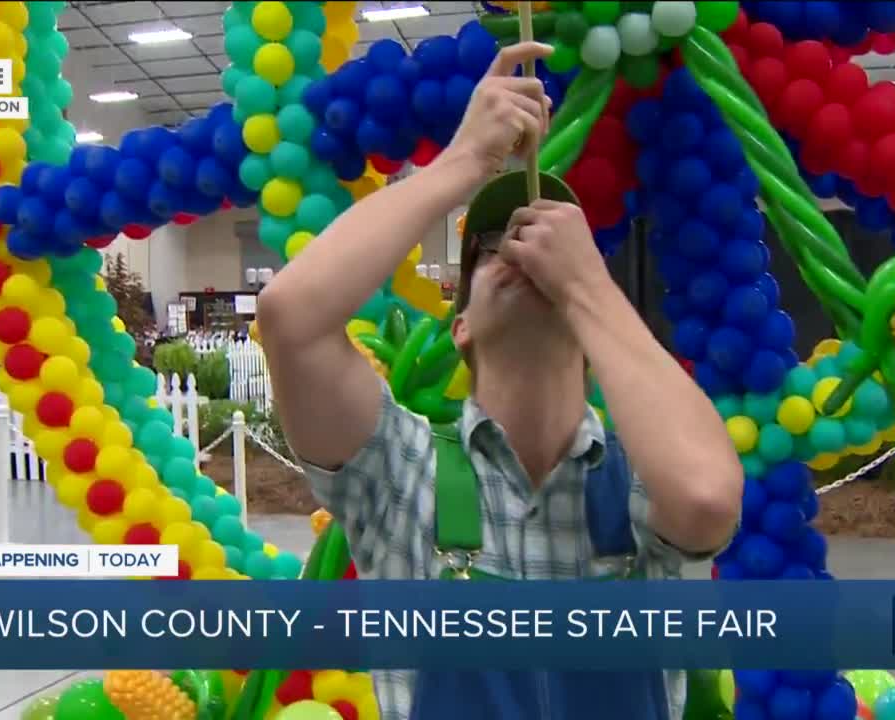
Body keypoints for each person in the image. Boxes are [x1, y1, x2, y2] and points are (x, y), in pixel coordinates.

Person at [256, 41, 744, 720]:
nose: (525, 246)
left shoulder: (642, 484)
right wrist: (464, 162)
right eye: (493, 248)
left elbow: (707, 498)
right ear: (461, 327)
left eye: (555, 244)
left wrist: (586, 286)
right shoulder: (402, 475)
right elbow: (290, 318)